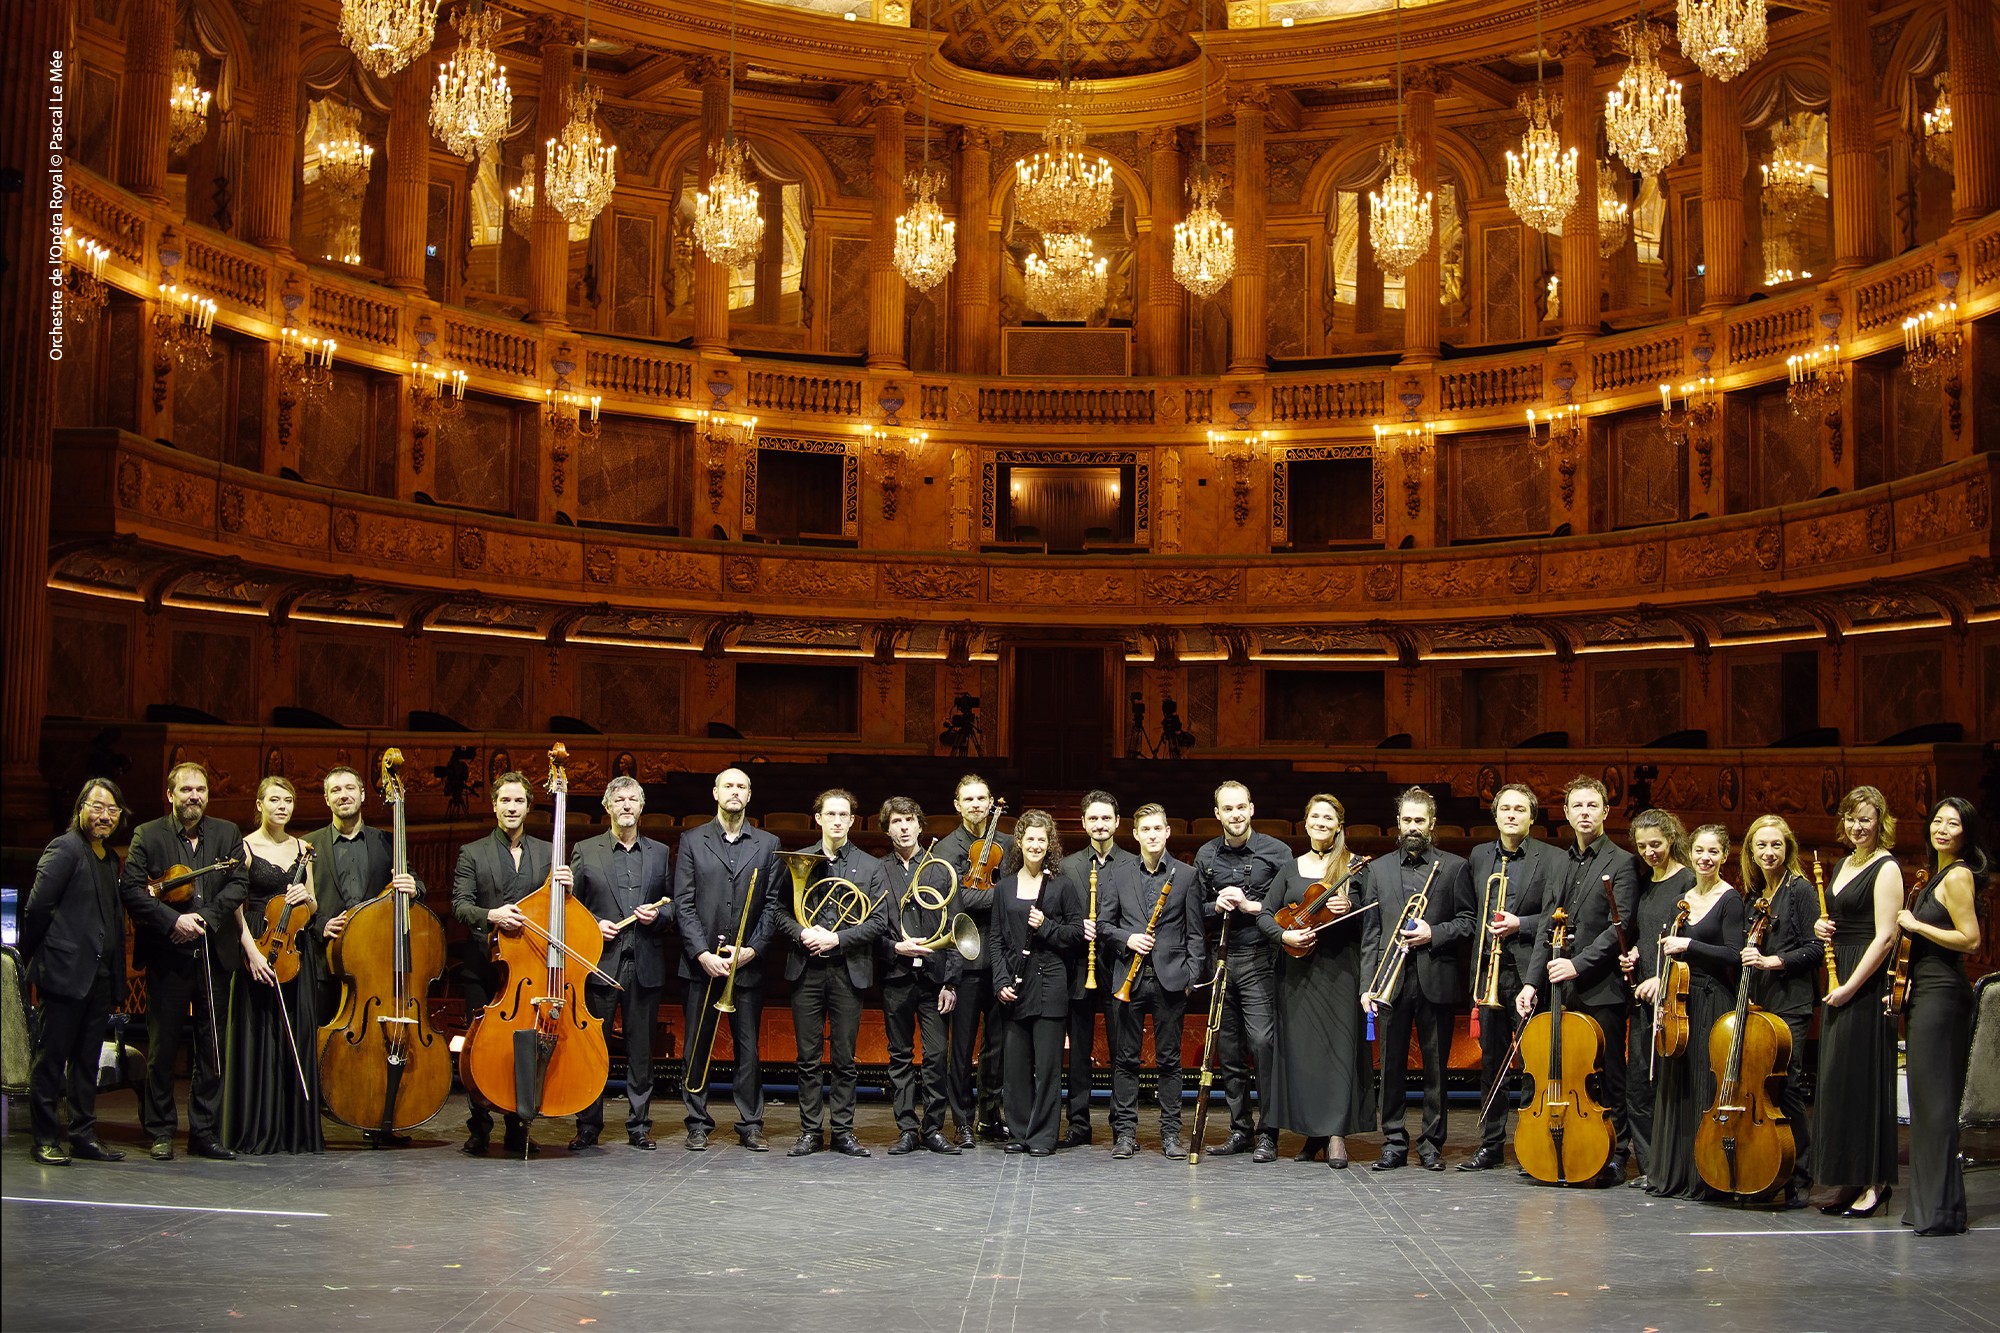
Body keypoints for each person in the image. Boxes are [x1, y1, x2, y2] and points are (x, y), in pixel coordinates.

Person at [118, 761, 249, 1162]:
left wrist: (203, 920)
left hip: (213, 953)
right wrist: (174, 919)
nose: (194, 796)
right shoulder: (148, 834)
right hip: (168, 955)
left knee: (212, 1049)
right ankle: (160, 1131)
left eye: (201, 790)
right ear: (170, 794)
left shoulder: (227, 833)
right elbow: (132, 890)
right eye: (186, 790)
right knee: (162, 1047)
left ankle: (203, 1132)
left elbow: (239, 883)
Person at [1515, 775, 1641, 1186]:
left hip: (1599, 985)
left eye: (1592, 806)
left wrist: (1578, 964)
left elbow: (1618, 927)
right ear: (1567, 813)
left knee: (1607, 1073)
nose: (1584, 813)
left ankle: (1617, 1150)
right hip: (1557, 986)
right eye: (1577, 806)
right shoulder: (1558, 861)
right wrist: (1531, 983)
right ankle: (1566, 1144)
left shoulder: (1621, 862)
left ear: (1606, 812)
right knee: (1563, 1073)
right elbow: (1545, 929)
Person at [303, 764, 422, 1147]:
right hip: (328, 961)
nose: (343, 795)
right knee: (320, 1046)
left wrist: (413, 884)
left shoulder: (388, 841)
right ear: (326, 799)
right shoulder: (308, 846)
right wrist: (320, 924)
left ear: (363, 795)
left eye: (349, 788)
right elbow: (299, 903)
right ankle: (312, 1125)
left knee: (375, 1044)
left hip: (375, 965)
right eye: (335, 790)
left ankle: (377, 1116)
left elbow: (412, 880)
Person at [1360, 786, 1475, 1172]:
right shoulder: (1377, 869)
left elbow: (1468, 923)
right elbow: (1371, 934)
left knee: (1436, 1068)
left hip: (1435, 977)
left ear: (1432, 824)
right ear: (1397, 823)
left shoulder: (1455, 867)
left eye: (1419, 821)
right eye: (1406, 820)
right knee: (1390, 1066)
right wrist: (1368, 985)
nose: (1412, 827)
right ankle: (1393, 1140)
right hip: (1390, 980)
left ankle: (1431, 1143)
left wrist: (1433, 933)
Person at [1257, 794, 1373, 1169]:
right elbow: (1264, 915)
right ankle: (1313, 1133)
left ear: (1339, 825)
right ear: (1305, 823)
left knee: (1337, 1053)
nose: (1321, 823)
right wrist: (1283, 937)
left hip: (1339, 971)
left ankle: (1336, 1135)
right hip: (1296, 973)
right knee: (1304, 1057)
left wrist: (1350, 908)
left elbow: (1375, 919)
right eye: (1315, 817)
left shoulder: (1353, 866)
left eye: (1329, 818)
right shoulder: (1290, 869)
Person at [451, 770, 563, 1155]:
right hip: (484, 965)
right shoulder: (473, 852)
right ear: (494, 805)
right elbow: (460, 906)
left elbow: (560, 911)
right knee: (477, 1049)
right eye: (505, 800)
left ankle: (518, 1124)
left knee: (524, 1047)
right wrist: (491, 915)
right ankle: (479, 1125)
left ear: (528, 807)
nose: (512, 807)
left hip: (528, 969)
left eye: (519, 801)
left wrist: (566, 884)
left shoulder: (550, 854)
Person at [673, 766, 782, 1152]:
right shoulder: (691, 840)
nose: (734, 792)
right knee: (696, 1047)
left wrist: (752, 949)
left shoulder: (769, 844)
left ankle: (751, 1122)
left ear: (749, 796)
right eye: (728, 785)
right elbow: (683, 904)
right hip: (701, 964)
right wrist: (702, 953)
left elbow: (772, 905)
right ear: (714, 793)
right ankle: (697, 1121)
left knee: (748, 1049)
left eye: (741, 786)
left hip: (746, 964)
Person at [24, 778, 130, 1165]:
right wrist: (38, 959)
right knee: (51, 1059)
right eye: (97, 807)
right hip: (65, 974)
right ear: (81, 809)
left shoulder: (107, 858)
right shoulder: (65, 848)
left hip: (98, 977)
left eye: (112, 810)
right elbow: (36, 910)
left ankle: (83, 1135)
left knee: (87, 1062)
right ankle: (45, 1138)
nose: (104, 816)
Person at [778, 788, 888, 1158]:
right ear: (819, 819)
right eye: (831, 815)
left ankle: (842, 1131)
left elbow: (877, 922)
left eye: (845, 815)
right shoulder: (799, 859)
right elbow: (779, 912)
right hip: (806, 968)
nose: (838, 821)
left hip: (847, 969)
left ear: (852, 821)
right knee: (807, 1058)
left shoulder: (871, 866)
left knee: (844, 1058)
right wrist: (803, 933)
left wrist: (837, 939)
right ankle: (810, 1131)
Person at [567, 776, 673, 1151]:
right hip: (599, 965)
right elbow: (568, 909)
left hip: (643, 964)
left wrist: (656, 917)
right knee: (592, 1049)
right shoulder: (585, 849)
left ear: (641, 807)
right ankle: (588, 1125)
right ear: (607, 807)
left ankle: (639, 1125)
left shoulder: (660, 852)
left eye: (633, 800)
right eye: (619, 800)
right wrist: (593, 926)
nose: (626, 805)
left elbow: (673, 905)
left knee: (641, 1051)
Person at [1812, 786, 1903, 1219]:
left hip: (1864, 980)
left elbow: (1885, 936)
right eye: (1851, 819)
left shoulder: (1886, 867)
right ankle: (1849, 1177)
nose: (1857, 826)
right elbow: (1840, 917)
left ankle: (1875, 1181)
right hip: (1841, 968)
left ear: (1880, 821)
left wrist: (1850, 987)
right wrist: (1821, 927)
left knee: (1864, 1081)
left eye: (1865, 819)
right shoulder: (1845, 862)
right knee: (1840, 1081)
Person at [1639, 824, 1742, 1199]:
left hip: (1713, 999)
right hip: (1680, 1001)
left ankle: (1705, 1176)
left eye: (1713, 852)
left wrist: (1689, 945)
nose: (1705, 858)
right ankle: (1675, 1173)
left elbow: (1733, 953)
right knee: (1677, 1085)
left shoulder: (1730, 899)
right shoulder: (1681, 898)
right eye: (1699, 851)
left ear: (1724, 855)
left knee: (1703, 1084)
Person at [1460, 783, 1560, 1172]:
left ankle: (1532, 1142)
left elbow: (1557, 914)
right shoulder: (1479, 855)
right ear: (1496, 815)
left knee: (1535, 1061)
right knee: (1491, 1063)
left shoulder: (1552, 858)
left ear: (1532, 817)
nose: (1512, 815)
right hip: (1490, 974)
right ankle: (1490, 1145)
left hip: (1529, 971)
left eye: (1520, 809)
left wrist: (1522, 923)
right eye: (1505, 808)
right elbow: (1471, 912)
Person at [1898, 796, 1985, 1236]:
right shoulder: (1935, 877)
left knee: (1936, 1105)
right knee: (1926, 1104)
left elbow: (1970, 940)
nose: (1943, 829)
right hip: (1926, 992)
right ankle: (1927, 1206)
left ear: (1967, 833)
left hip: (1944, 996)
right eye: (1937, 821)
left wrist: (1916, 925)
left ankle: (1943, 1211)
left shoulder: (1958, 876)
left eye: (1953, 824)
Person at [1194, 780, 1293, 1161]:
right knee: (1230, 1050)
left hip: (1260, 959)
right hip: (1220, 961)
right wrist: (1215, 905)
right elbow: (1194, 909)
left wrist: (1254, 907)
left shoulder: (1277, 851)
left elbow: (1292, 903)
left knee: (1263, 1045)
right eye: (1227, 809)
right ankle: (1241, 1130)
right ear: (1217, 814)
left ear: (1251, 808)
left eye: (1241, 807)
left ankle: (1268, 1132)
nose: (1235, 815)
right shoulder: (1205, 854)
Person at [225, 776, 322, 1154]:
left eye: (288, 801)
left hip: (294, 951)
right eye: (274, 800)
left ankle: (293, 1131)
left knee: (291, 1035)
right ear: (260, 804)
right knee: (257, 1035)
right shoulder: (245, 847)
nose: (282, 806)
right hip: (256, 942)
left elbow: (312, 909)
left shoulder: (304, 850)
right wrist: (249, 950)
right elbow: (234, 903)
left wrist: (307, 900)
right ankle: (255, 1127)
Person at [1100, 803, 1202, 1160]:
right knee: (1125, 1060)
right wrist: (1127, 939)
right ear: (1136, 834)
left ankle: (1171, 1134)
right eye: (1147, 830)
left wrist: (1190, 976)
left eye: (1159, 828)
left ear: (1167, 832)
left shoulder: (1187, 875)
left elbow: (1195, 933)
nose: (1153, 835)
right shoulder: (1120, 873)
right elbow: (1104, 926)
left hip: (1170, 980)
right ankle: (1125, 1134)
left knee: (1170, 1062)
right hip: (1128, 977)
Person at [1737, 812, 1821, 1208]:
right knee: (1761, 1088)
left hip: (1792, 1002)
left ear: (1788, 849)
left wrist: (1776, 961)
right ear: (1751, 852)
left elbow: (1816, 948)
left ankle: (1798, 1174)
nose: (1769, 852)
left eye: (1776, 845)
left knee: (1786, 1086)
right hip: (1762, 1001)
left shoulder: (1801, 890)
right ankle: (1768, 1167)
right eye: (1761, 846)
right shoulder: (1756, 896)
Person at [873, 797, 961, 1156]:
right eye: (896, 821)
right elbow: (870, 929)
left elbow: (957, 927)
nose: (904, 827)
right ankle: (907, 1128)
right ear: (887, 828)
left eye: (910, 820)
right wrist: (895, 948)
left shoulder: (940, 869)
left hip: (936, 978)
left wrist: (951, 981)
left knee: (938, 1055)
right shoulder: (878, 871)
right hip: (896, 975)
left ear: (921, 826)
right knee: (900, 1056)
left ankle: (934, 1127)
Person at [993, 810, 1084, 1156]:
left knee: (1047, 1067)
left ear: (1050, 845)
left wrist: (1045, 925)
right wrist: (1000, 980)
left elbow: (1076, 933)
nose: (1035, 845)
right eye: (1029, 839)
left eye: (1041, 840)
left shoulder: (1061, 886)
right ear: (1019, 842)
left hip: (1050, 985)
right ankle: (1019, 1131)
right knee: (1015, 1068)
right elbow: (997, 940)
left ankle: (1044, 1136)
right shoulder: (1004, 887)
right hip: (1015, 986)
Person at [935, 773, 1013, 1146]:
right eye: (969, 799)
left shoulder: (1009, 844)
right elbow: (957, 902)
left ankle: (989, 1115)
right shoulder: (947, 848)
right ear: (957, 805)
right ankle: (962, 1121)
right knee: (961, 1048)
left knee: (996, 1047)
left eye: (983, 798)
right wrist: (997, 897)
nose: (977, 805)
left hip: (998, 960)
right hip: (963, 960)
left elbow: (1016, 897)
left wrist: (993, 896)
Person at [1619, 807, 1695, 1188]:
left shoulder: (1689, 882)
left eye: (1657, 844)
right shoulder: (1646, 883)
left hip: (1675, 995)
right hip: (1644, 998)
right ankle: (1651, 1167)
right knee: (1640, 1086)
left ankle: (1675, 1167)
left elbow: (1692, 942)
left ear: (1672, 840)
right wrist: (1634, 951)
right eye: (1643, 846)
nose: (1650, 852)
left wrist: (1661, 978)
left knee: (1671, 1085)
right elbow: (1647, 933)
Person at [1056, 789, 1131, 1148]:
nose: (1100, 825)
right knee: (1080, 1048)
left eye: (1106, 818)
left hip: (1118, 966)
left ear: (1117, 822)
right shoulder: (1068, 866)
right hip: (1076, 965)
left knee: (1122, 1049)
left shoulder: (1132, 863)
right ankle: (1079, 1124)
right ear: (1083, 823)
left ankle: (1122, 1125)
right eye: (1093, 819)